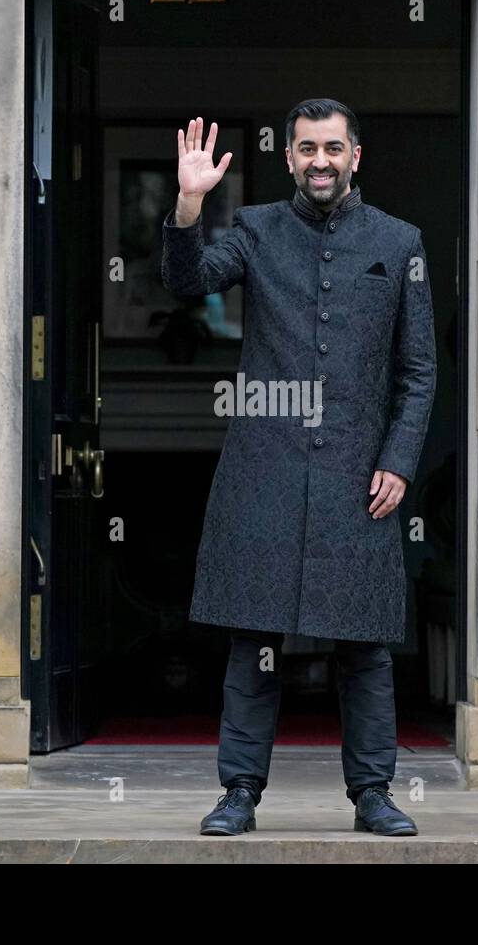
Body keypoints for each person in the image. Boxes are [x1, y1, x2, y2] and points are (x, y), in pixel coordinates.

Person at [160, 98, 436, 836]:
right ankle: (238, 793)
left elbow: (419, 371)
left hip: (359, 475)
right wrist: (190, 204)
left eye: (333, 148)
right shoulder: (254, 229)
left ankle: (374, 793)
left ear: (356, 156)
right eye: (307, 148)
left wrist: (399, 463)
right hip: (266, 469)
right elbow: (188, 283)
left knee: (364, 643)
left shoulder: (400, 241)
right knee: (253, 641)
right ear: (289, 158)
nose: (321, 160)